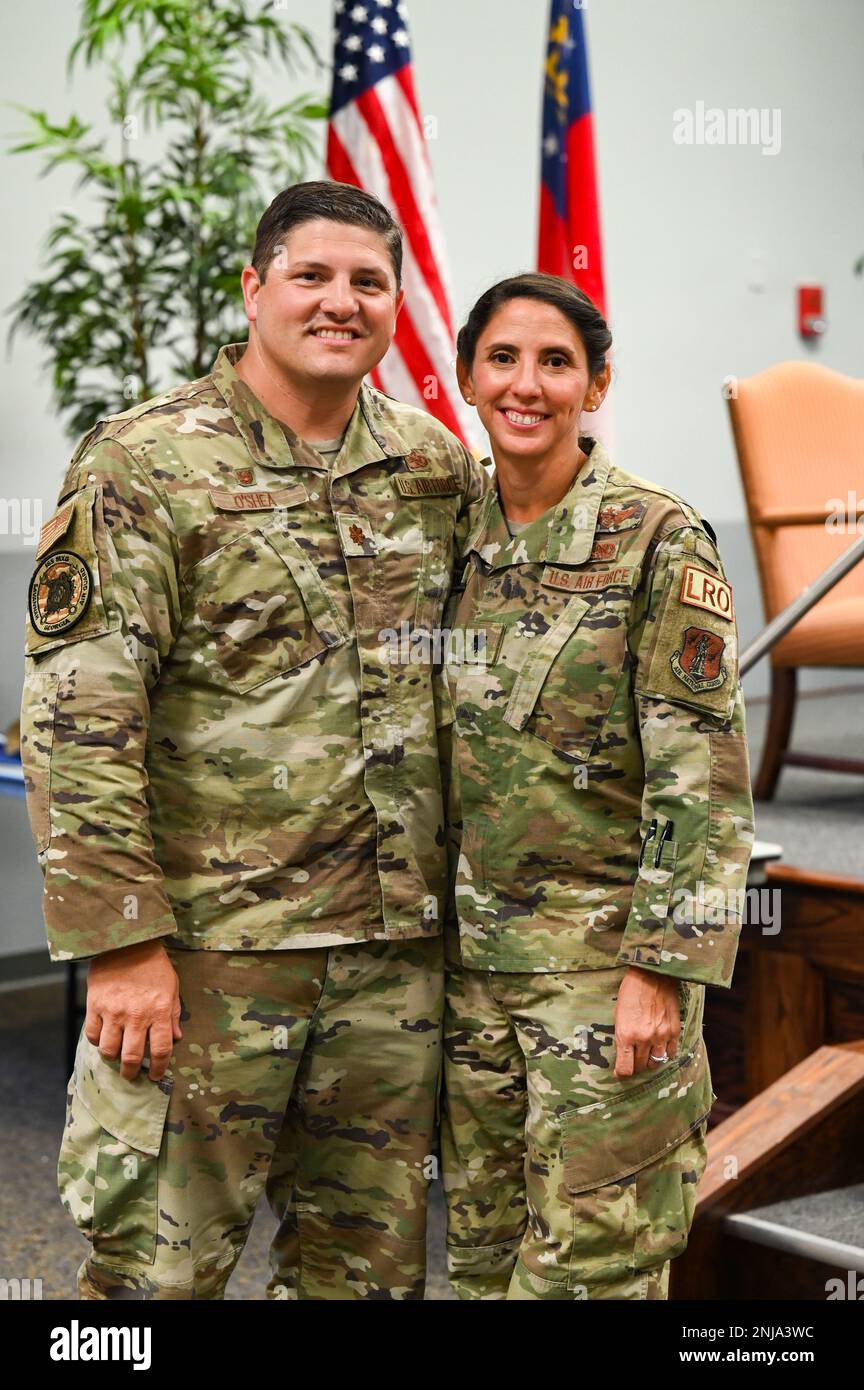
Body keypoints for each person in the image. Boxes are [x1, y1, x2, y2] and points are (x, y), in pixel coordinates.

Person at [20, 179, 488, 1300]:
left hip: (390, 958)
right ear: (254, 286)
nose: (340, 301)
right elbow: (80, 716)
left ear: (395, 299)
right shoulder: (143, 461)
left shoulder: (432, 467)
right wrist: (123, 946)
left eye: (367, 281)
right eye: (311, 275)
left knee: (366, 1273)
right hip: (211, 956)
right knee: (154, 1274)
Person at [440, 272, 755, 1300]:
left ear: (597, 382)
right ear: (468, 378)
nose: (527, 384)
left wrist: (661, 970)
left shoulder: (659, 540)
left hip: (603, 980)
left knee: (593, 1273)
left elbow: (701, 781)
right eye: (503, 358)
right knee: (485, 1260)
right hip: (472, 974)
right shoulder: (449, 537)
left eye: (556, 362)